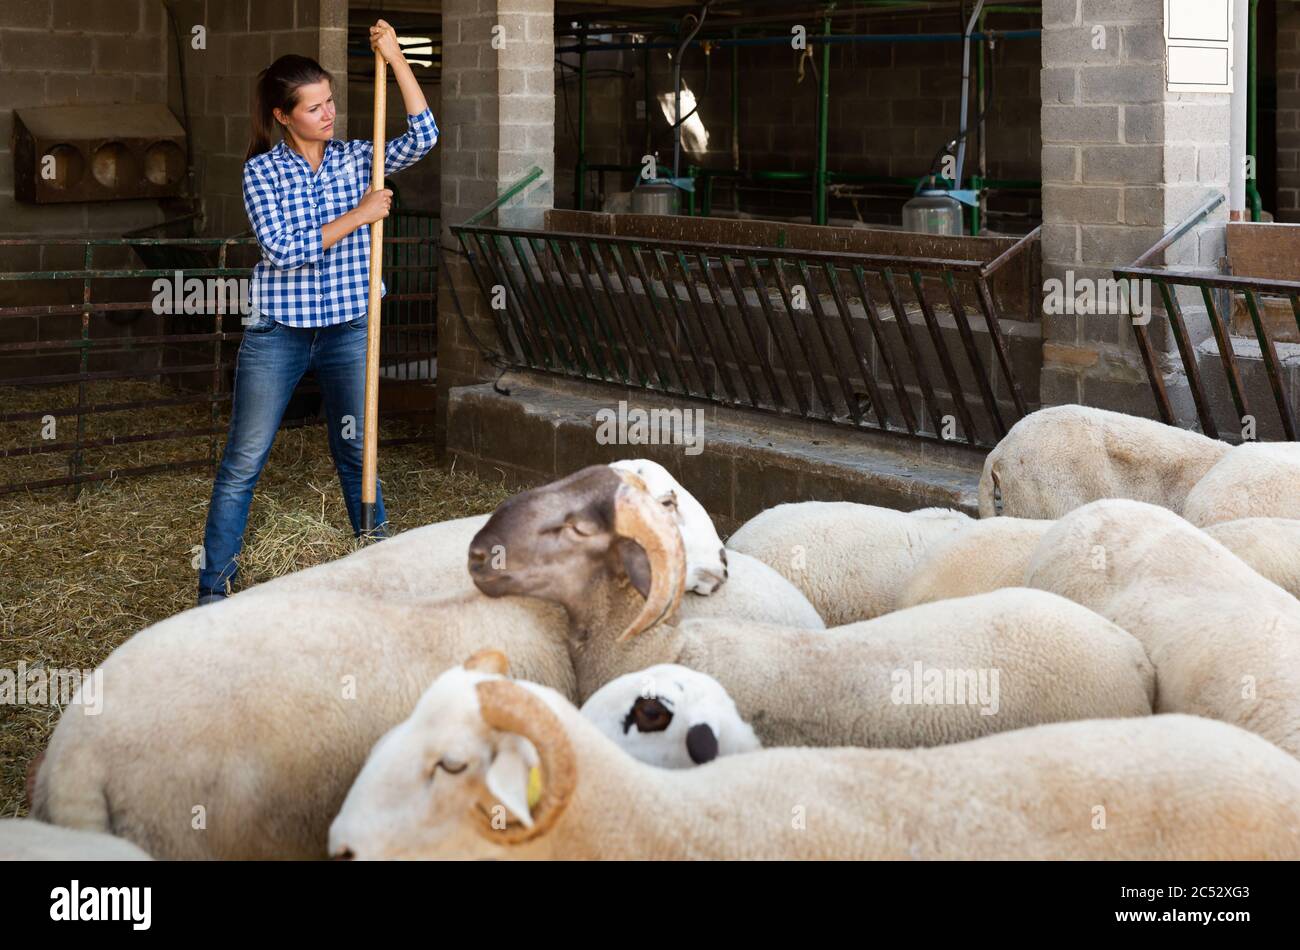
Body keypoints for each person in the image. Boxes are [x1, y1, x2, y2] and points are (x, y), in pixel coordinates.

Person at [197, 21, 437, 606]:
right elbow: (283, 248)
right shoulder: (261, 171)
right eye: (314, 107)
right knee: (244, 459)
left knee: (359, 448)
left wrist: (396, 58)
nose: (329, 114)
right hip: (278, 333)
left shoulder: (362, 156)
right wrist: (361, 215)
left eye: (330, 101)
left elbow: (424, 135)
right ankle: (212, 589)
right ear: (284, 116)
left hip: (350, 328)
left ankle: (379, 564)